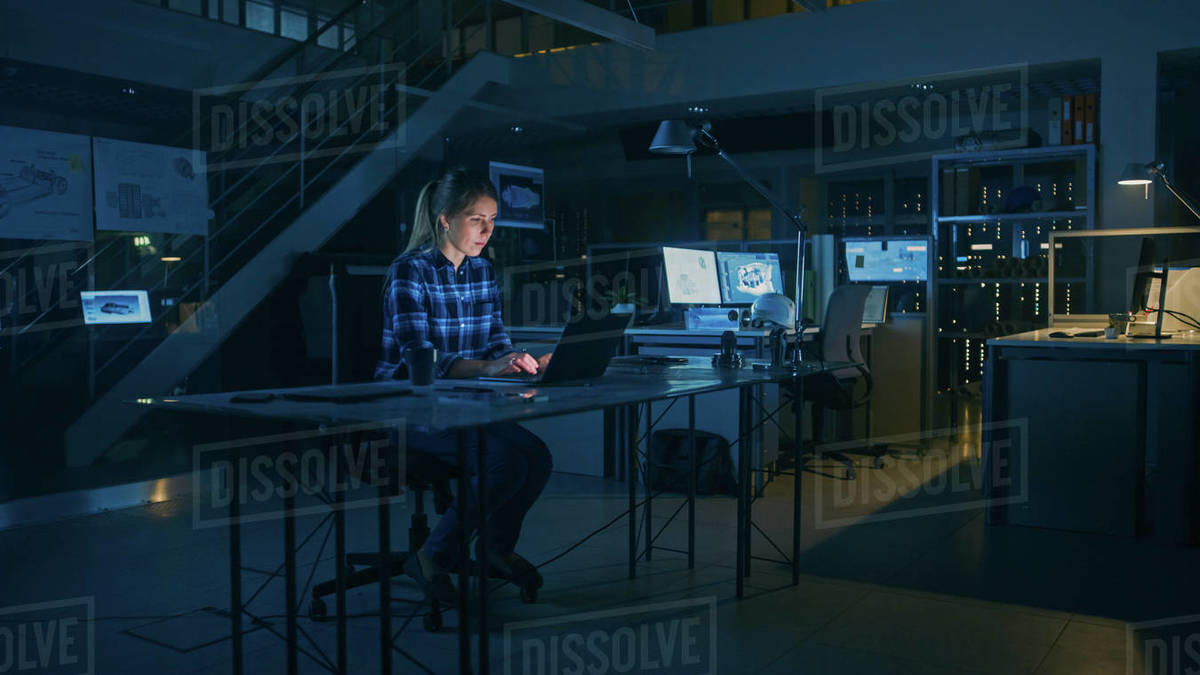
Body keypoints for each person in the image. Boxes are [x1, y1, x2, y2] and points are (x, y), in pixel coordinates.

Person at [375, 166, 552, 605]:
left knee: (537, 456)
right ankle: (433, 555)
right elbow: (421, 357)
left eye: (492, 220)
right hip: (410, 409)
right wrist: (490, 368)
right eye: (477, 219)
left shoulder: (482, 272)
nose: (487, 230)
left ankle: (494, 550)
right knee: (506, 463)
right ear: (445, 219)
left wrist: (517, 362)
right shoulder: (408, 272)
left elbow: (496, 342)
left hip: (467, 406)